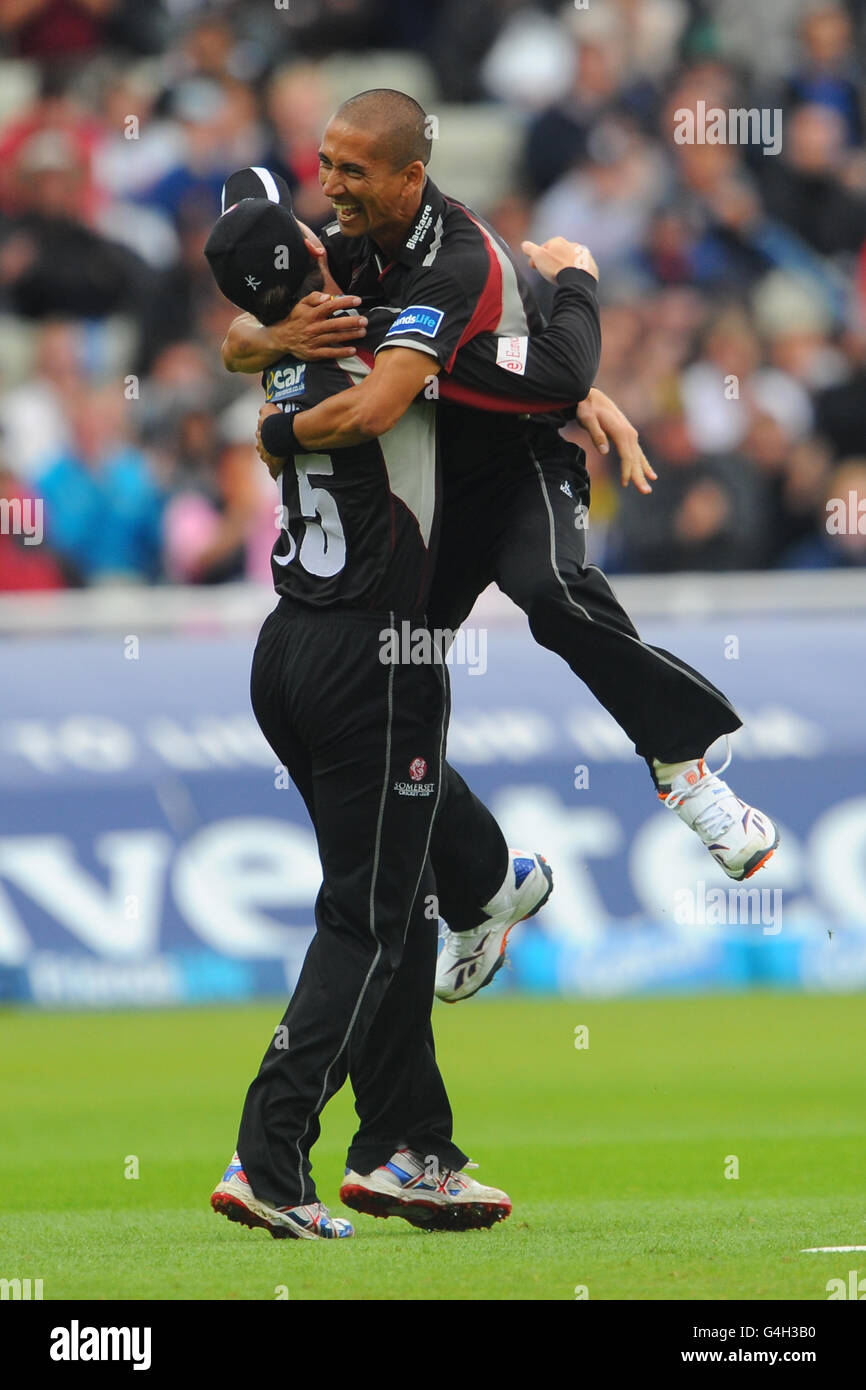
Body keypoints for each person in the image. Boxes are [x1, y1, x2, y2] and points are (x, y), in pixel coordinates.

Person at [222, 93, 780, 1007]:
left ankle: (683, 769)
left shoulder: (461, 260)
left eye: (351, 170)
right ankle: (487, 889)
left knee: (553, 592)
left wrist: (579, 279)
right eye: (324, 164)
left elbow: (552, 374)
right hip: (436, 498)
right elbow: (237, 338)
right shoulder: (343, 246)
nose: (328, 185)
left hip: (520, 472)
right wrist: (277, 335)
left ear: (412, 176)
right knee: (382, 697)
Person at [204, 188, 514, 1240]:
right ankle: (267, 1158)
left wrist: (260, 355)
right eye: (305, 224)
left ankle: (404, 1143)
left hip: (288, 644)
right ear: (299, 254)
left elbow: (244, 342)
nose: (322, 218)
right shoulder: (381, 336)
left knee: (402, 880)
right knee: (370, 917)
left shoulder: (291, 342)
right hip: (372, 652)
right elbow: (410, 389)